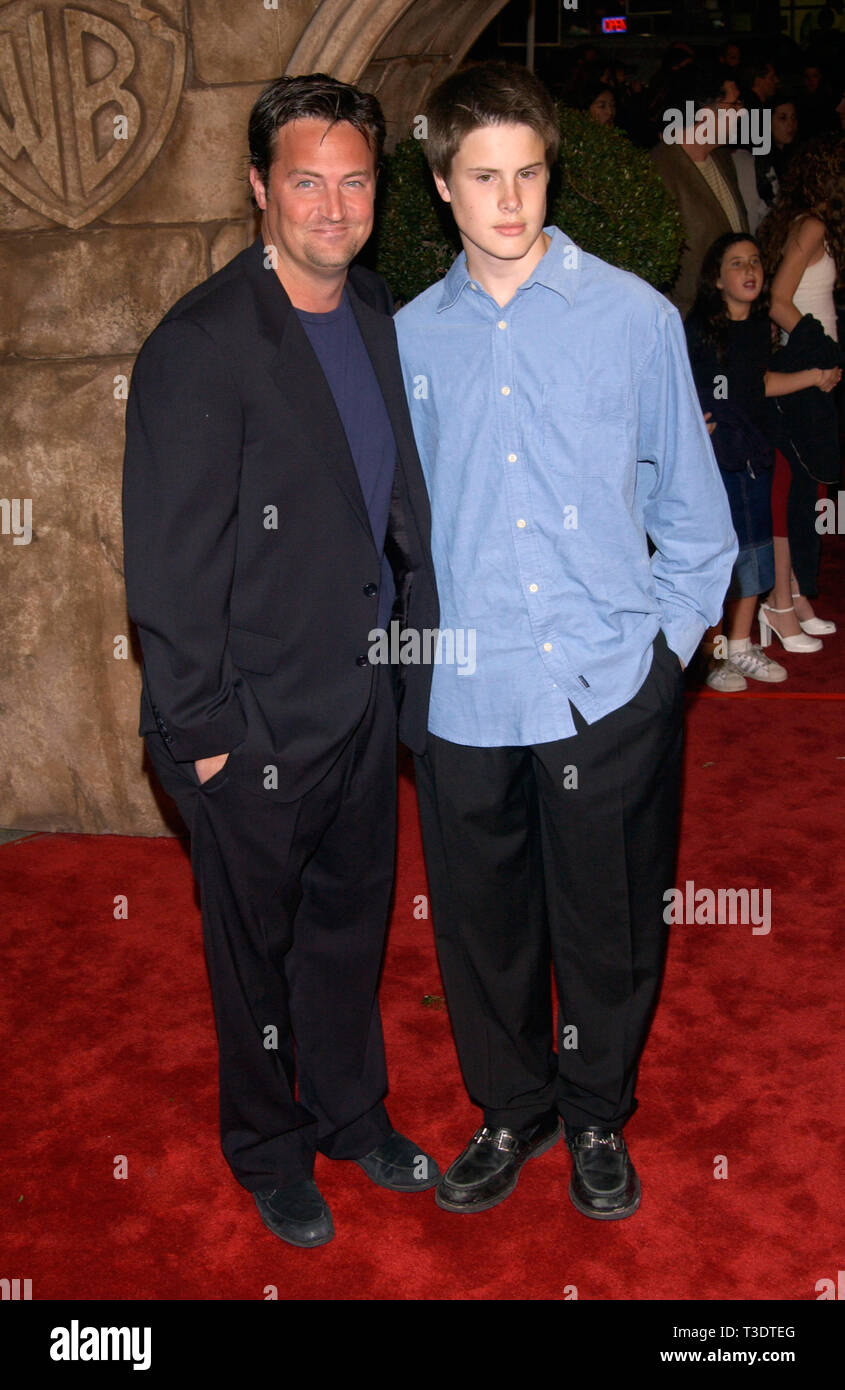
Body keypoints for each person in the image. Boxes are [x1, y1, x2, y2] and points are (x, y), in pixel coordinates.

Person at [395, 61, 737, 1221]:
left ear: (552, 174)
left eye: (527, 174)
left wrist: (660, 664)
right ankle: (511, 1108)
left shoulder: (633, 318)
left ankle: (594, 1113)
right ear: (442, 185)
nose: (508, 199)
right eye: (482, 177)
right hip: (461, 697)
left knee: (607, 925)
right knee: (482, 931)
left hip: (605, 686)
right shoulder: (404, 342)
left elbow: (696, 520)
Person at [122, 73, 440, 1249]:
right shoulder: (201, 343)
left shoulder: (372, 313)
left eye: (353, 181)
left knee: (350, 928)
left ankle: (352, 1113)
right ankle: (267, 1142)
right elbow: (167, 566)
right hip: (248, 726)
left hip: (361, 703)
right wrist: (204, 739)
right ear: (259, 186)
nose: (331, 204)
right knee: (252, 956)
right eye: (305, 180)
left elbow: (392, 516)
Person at [685, 233, 840, 690]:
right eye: (736, 263)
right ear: (717, 278)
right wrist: (696, 425)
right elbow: (678, 386)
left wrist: (812, 377)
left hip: (751, 449)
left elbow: (758, 384)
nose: (750, 270)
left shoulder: (756, 328)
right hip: (713, 453)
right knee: (716, 553)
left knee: (754, 546)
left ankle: (740, 644)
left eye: (754, 261)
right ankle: (712, 654)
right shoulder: (696, 329)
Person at [758, 136, 844, 645]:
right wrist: (821, 353)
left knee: (804, 487)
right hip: (802, 368)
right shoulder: (811, 225)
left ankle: (795, 593)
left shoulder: (805, 224)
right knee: (798, 488)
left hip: (808, 365)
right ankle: (780, 601)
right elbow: (778, 299)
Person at [652, 69, 749, 318]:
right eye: (734, 104)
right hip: (689, 321)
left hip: (731, 314)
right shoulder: (660, 169)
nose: (743, 112)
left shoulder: (722, 159)